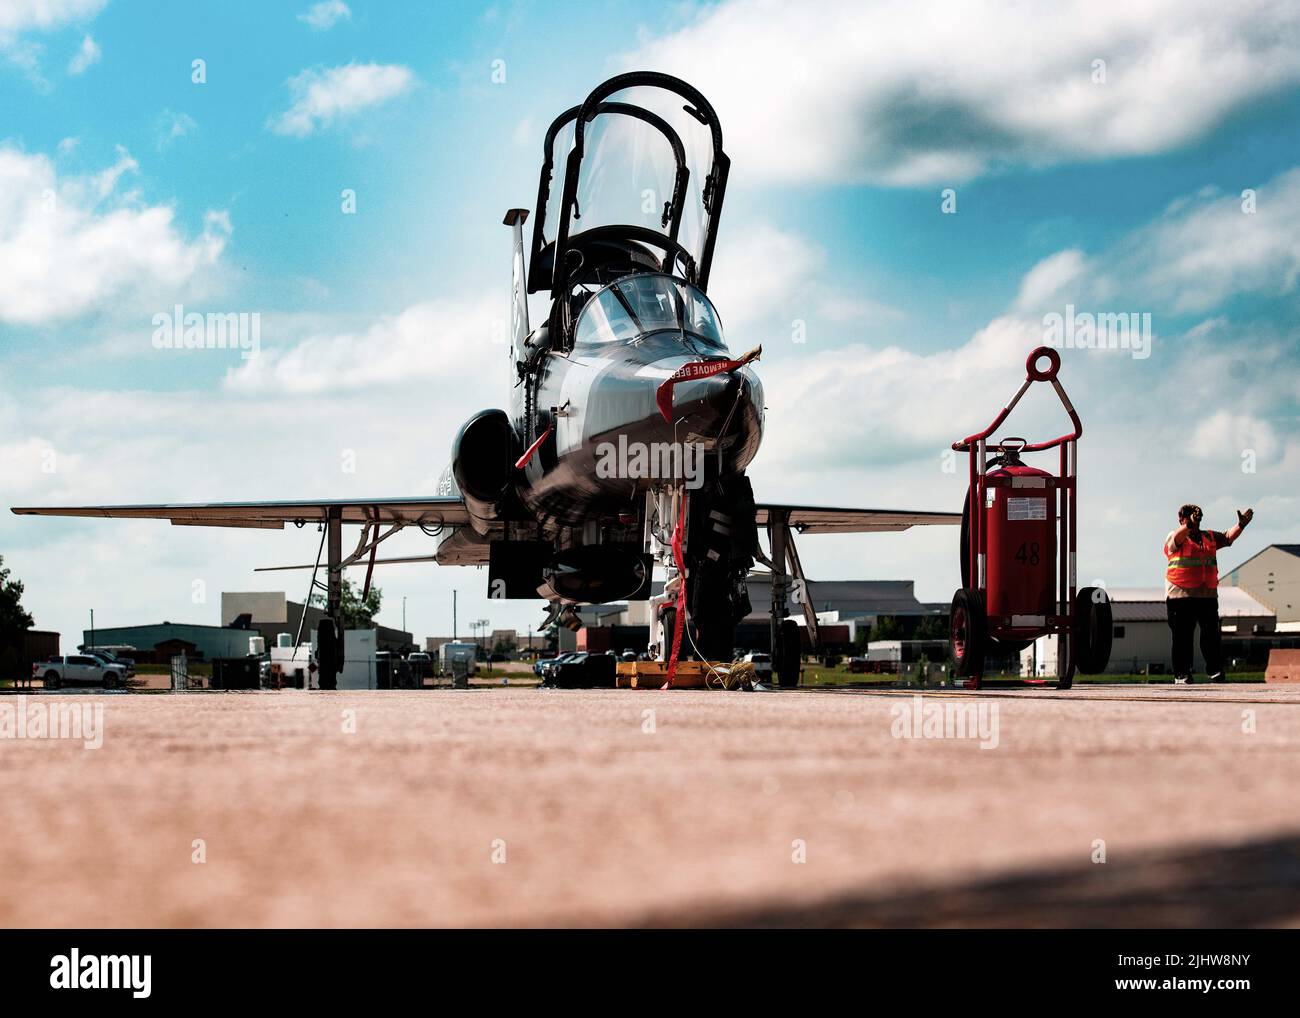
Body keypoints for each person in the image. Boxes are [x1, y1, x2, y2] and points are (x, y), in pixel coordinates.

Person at [1164, 503, 1253, 684]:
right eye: (1188, 518)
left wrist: (1240, 525)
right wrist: (1188, 525)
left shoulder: (1208, 537)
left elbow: (1227, 538)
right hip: (1180, 597)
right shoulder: (1175, 537)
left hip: (1207, 596)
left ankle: (1215, 670)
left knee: (1211, 636)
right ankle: (1182, 673)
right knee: (1182, 638)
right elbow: (1176, 540)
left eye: (1195, 518)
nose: (1193, 521)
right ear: (1181, 520)